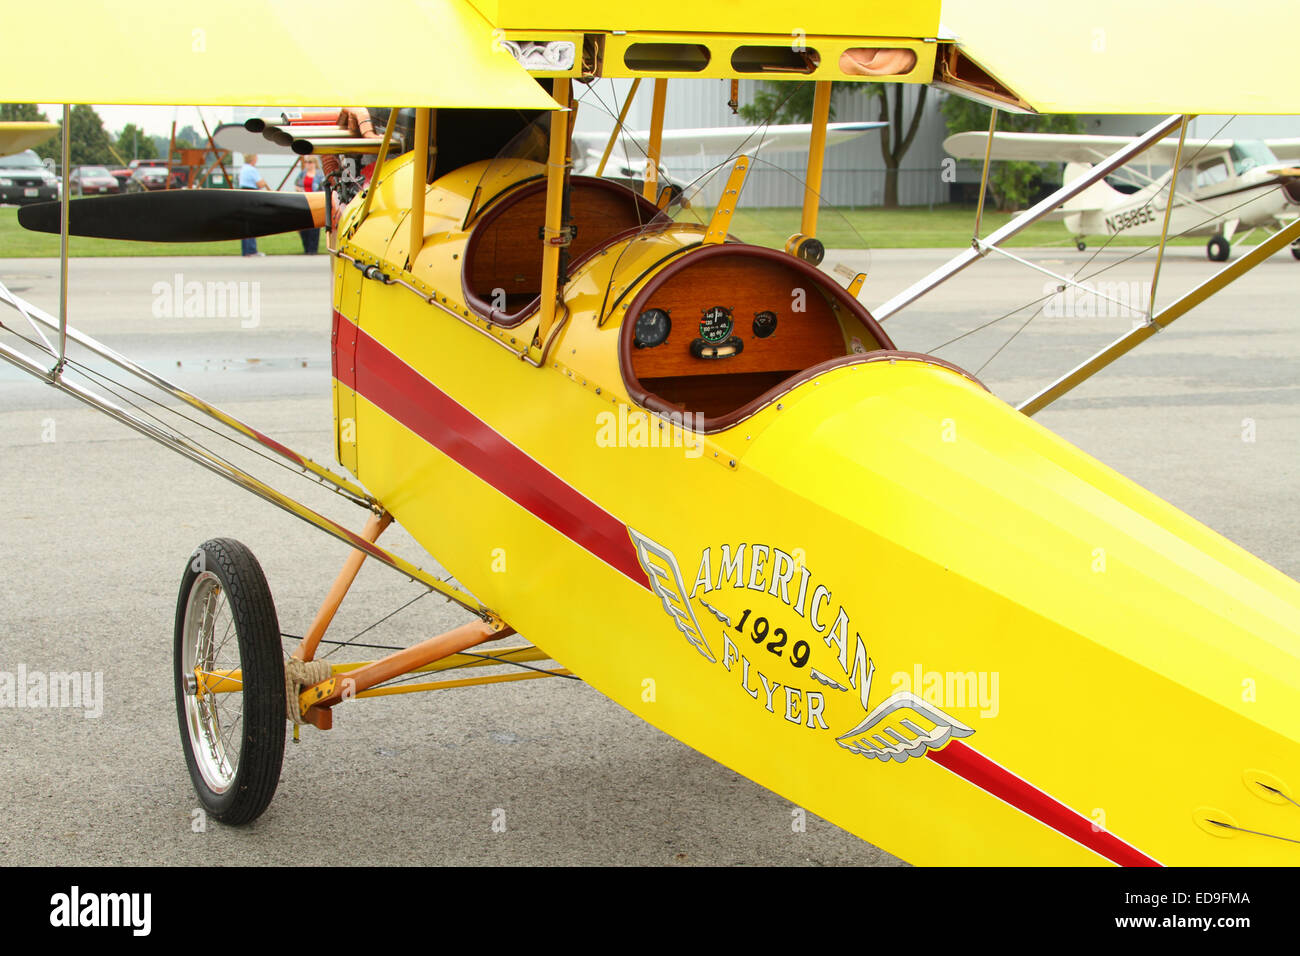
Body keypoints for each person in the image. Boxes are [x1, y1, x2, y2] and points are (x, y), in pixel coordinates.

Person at [238, 153, 270, 257]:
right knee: (252, 223)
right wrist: (265, 183)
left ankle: (246, 250)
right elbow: (260, 184)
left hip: (243, 195)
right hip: (252, 194)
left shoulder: (243, 169)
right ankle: (252, 250)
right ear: (253, 159)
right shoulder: (252, 170)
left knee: (245, 224)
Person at [295, 156, 324, 254]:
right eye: (306, 162)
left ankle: (313, 249)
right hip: (303, 202)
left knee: (314, 228)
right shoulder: (302, 174)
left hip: (315, 202)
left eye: (310, 162)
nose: (308, 164)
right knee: (304, 228)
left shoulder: (320, 175)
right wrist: (299, 189)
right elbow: (297, 184)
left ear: (314, 163)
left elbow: (323, 188)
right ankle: (306, 248)